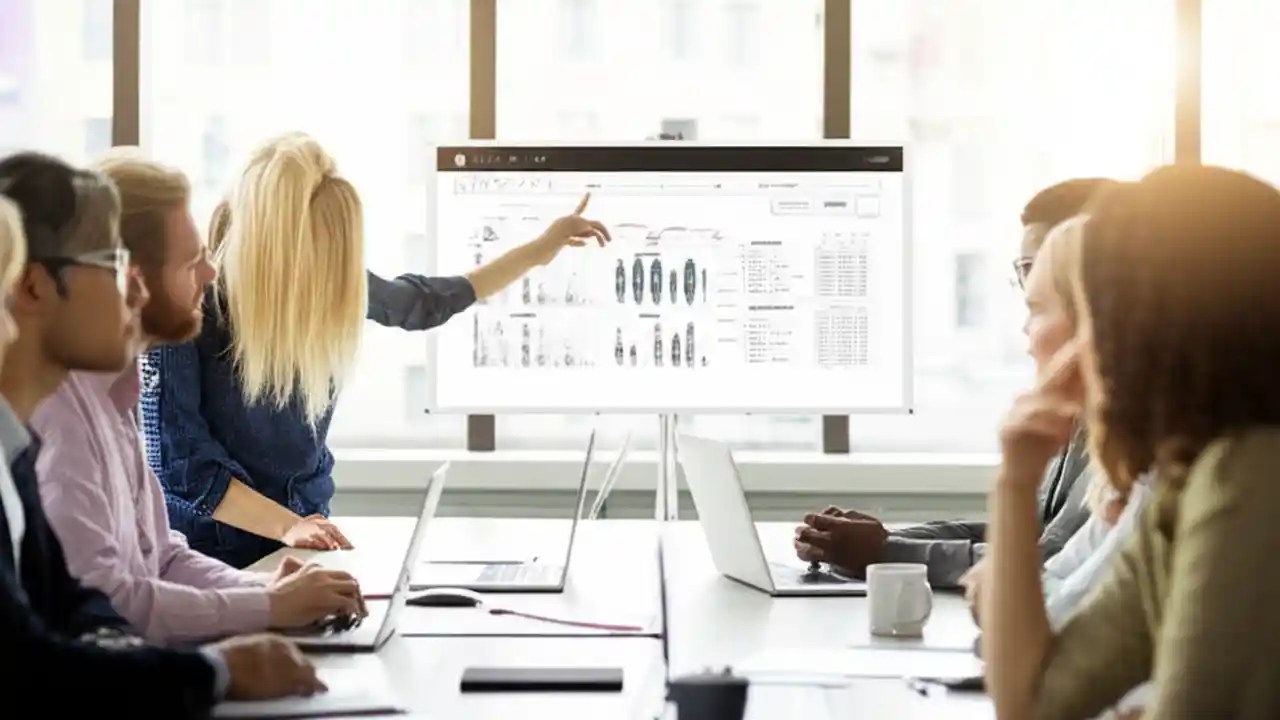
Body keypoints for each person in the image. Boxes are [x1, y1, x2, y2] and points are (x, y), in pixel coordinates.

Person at [142, 132, 612, 567]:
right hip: (217, 558)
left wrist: (541, 248)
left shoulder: (327, 283)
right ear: (289, 257)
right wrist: (288, 527)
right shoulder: (183, 315)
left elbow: (426, 302)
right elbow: (182, 467)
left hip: (307, 539)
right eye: (325, 263)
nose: (336, 284)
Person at [0, 152, 323, 713]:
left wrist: (265, 603)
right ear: (32, 289)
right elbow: (35, 662)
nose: (136, 293)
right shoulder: (39, 434)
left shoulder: (23, 450)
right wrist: (219, 668)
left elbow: (86, 611)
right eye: (113, 266)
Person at [984, 165, 1280, 719]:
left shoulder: (1249, 473)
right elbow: (1030, 705)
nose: (1083, 343)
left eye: (1101, 312)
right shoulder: (1184, 482)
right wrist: (1013, 482)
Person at [793, 178, 1114, 588]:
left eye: (1038, 274)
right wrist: (889, 541)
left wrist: (888, 553)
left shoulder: (1130, 434)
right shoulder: (1080, 409)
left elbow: (1051, 561)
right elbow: (1038, 536)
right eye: (1024, 273)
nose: (1026, 315)